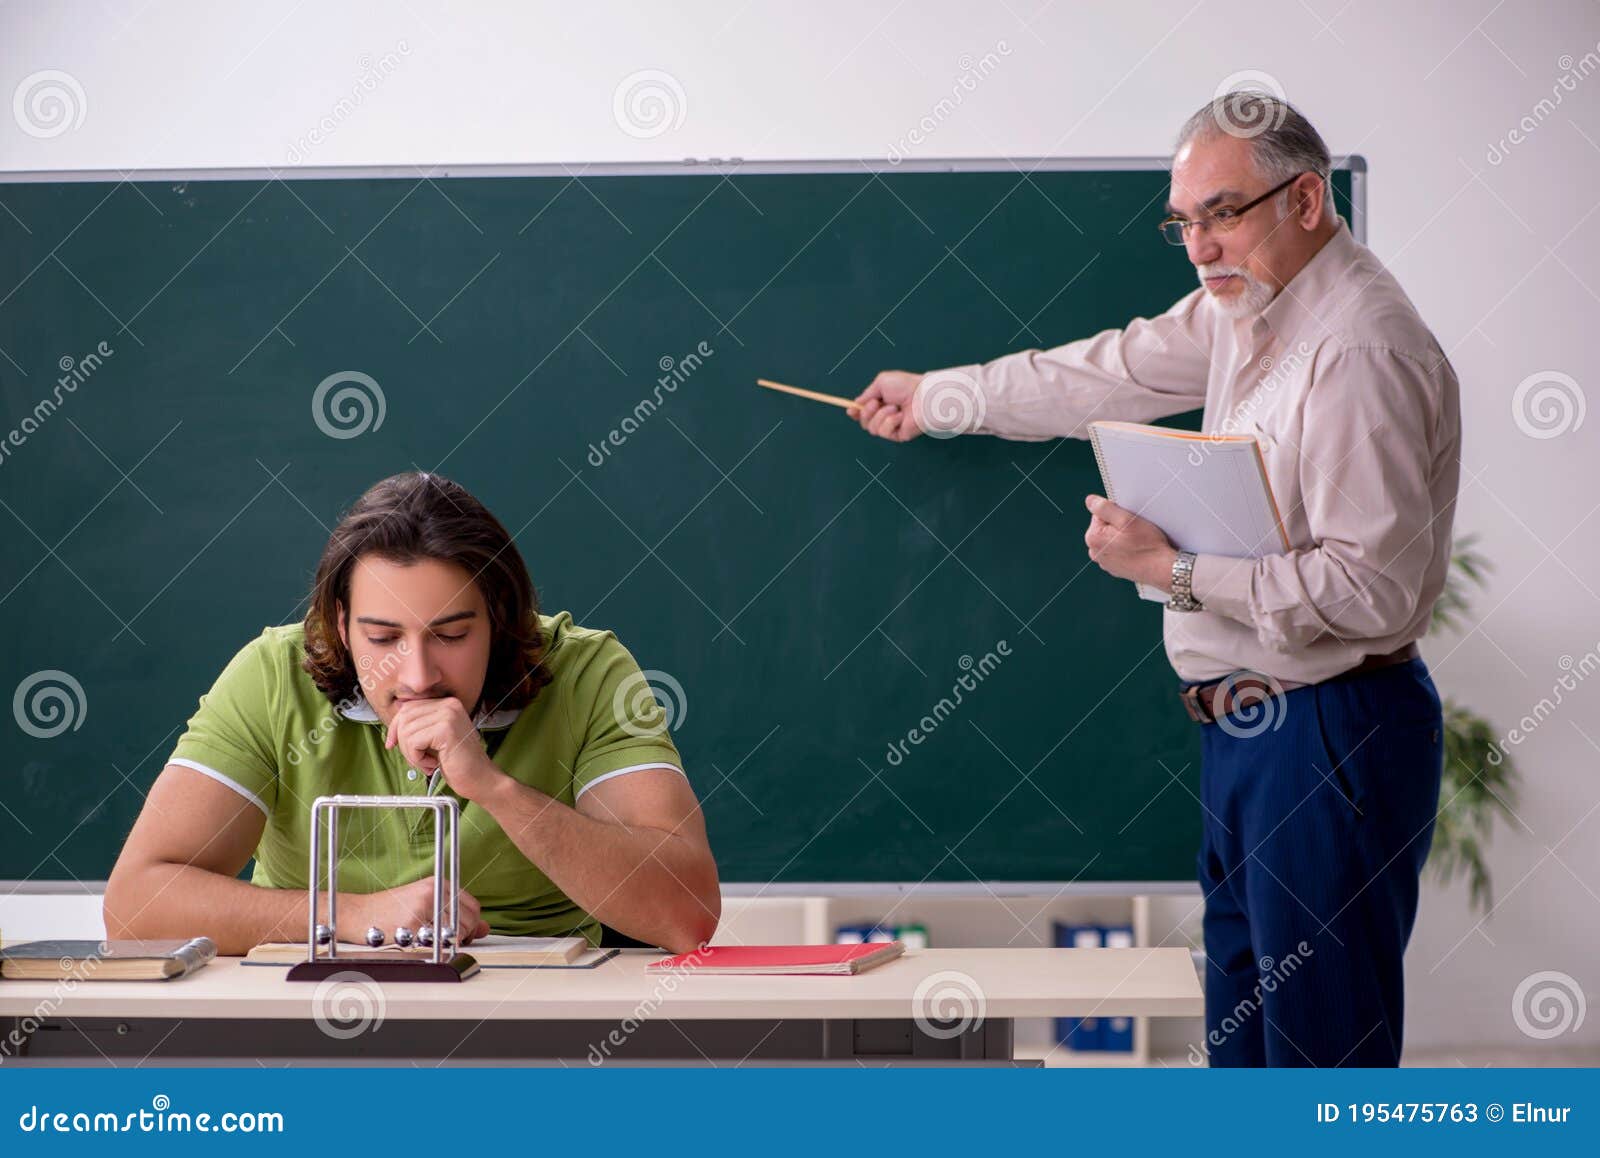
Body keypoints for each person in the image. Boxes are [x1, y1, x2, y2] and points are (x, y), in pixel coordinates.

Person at [852, 93, 1460, 1067]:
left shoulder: (1355, 348)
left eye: (1223, 212)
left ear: (1306, 199)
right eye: (1183, 222)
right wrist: (939, 398)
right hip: (1252, 733)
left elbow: (1371, 592)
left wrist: (1169, 568)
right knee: (1248, 1058)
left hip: (1327, 730)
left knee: (1318, 1067)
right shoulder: (1247, 303)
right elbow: (1110, 373)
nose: (1199, 245)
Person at [105, 471, 720, 955]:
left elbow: (688, 915)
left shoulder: (590, 674)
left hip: (534, 1022)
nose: (419, 676)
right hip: (304, 1013)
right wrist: (352, 915)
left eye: (451, 635)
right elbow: (134, 907)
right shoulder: (270, 675)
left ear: (500, 622)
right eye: (382, 639)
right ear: (340, 626)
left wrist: (494, 788)